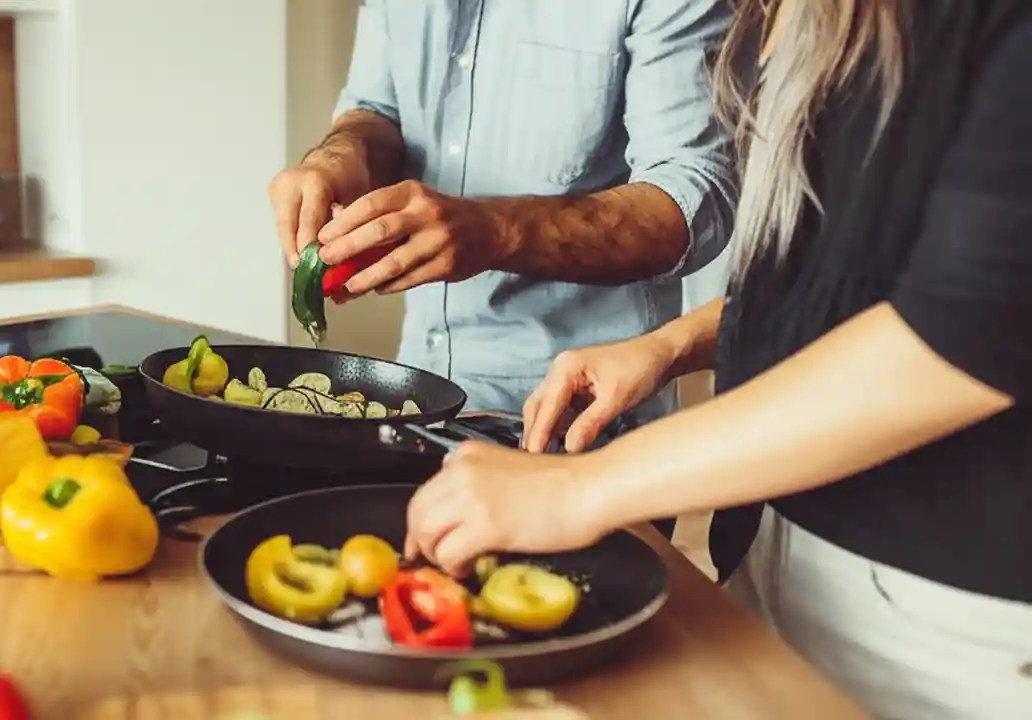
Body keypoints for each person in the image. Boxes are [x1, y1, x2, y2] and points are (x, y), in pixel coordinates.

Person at [401, 1, 1032, 717]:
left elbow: (957, 344)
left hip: (947, 626)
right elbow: (856, 280)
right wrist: (671, 345)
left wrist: (580, 489)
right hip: (776, 546)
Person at [269, 0, 736, 423]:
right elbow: (376, 110)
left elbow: (692, 198)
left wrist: (493, 231)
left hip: (581, 418)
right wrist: (341, 154)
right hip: (419, 396)